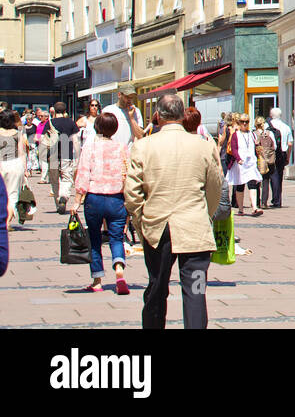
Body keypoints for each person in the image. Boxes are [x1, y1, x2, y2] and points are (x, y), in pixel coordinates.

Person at [124, 92, 224, 330]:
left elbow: (132, 193)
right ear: (181, 115)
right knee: (196, 291)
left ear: (157, 116)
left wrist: (140, 222)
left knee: (157, 288)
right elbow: (215, 186)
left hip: (158, 226)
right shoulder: (204, 146)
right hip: (194, 226)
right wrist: (205, 214)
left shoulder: (143, 146)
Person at [69, 112, 131, 295]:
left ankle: (97, 280)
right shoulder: (122, 147)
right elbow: (128, 171)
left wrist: (77, 200)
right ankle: (119, 269)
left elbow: (83, 172)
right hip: (117, 198)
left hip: (94, 197)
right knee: (116, 237)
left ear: (97, 127)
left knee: (94, 239)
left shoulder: (91, 146)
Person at [224, 114, 263, 218]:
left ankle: (254, 207)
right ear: (239, 122)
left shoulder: (252, 134)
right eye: (242, 121)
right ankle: (240, 209)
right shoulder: (236, 135)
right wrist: (238, 159)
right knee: (240, 185)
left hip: (251, 163)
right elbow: (234, 148)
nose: (244, 124)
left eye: (247, 121)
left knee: (252, 184)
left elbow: (256, 147)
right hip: (240, 164)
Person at [0, 111, 28, 226]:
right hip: (15, 164)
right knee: (12, 195)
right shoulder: (18, 134)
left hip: (1, 164)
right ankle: (7, 223)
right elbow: (22, 153)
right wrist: (25, 169)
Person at [267, 107, 293, 207]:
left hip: (271, 152)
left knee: (273, 175)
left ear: (271, 115)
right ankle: (278, 199)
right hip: (282, 152)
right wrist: (288, 157)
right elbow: (290, 144)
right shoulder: (286, 127)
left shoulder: (268, 125)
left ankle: (275, 199)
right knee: (279, 176)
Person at [252, 117, 277, 210]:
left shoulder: (253, 134)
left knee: (256, 181)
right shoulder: (269, 133)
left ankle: (257, 202)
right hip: (268, 160)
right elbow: (275, 146)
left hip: (257, 160)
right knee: (266, 180)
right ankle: (264, 202)